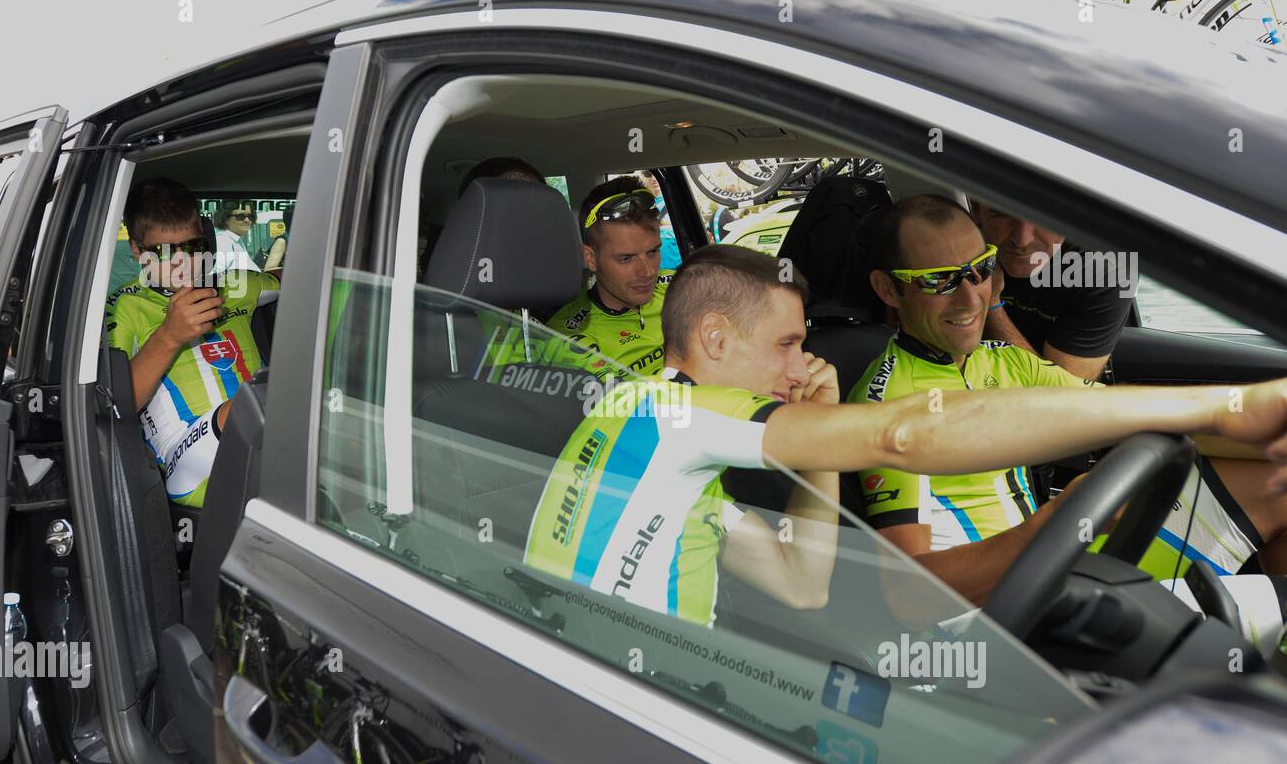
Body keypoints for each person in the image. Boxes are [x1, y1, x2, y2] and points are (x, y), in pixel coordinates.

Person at [524, 243, 1287, 628]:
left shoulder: (656, 434)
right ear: (716, 340)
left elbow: (803, 583)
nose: (802, 364)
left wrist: (818, 437)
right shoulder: (671, 415)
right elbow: (904, 437)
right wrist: (1216, 411)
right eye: (788, 344)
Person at [850, 194, 1287, 604]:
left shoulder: (1004, 364)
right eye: (939, 280)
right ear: (889, 291)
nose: (970, 298)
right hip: (1002, 624)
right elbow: (909, 597)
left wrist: (1264, 429)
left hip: (1056, 570)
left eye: (980, 269)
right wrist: (1052, 523)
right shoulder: (888, 405)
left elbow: (1129, 416)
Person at [106, 179, 279, 507]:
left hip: (263, 429)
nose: (181, 265)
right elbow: (112, 403)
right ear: (136, 251)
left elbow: (311, 277)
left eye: (191, 247)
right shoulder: (125, 305)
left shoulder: (236, 285)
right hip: (186, 455)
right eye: (163, 254)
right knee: (264, 403)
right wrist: (169, 336)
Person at [972, 199, 1133, 381]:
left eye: (1043, 216)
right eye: (1001, 212)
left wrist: (991, 302)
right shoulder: (955, 247)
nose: (1022, 240)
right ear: (976, 211)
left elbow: (1060, 394)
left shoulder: (1104, 269)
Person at [543, 176, 672, 383]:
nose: (647, 272)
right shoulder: (569, 338)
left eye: (652, 252)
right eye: (626, 258)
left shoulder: (682, 288)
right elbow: (629, 410)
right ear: (590, 259)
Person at [212, 199, 261, 273]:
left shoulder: (235, 240)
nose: (247, 220)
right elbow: (216, 275)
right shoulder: (224, 241)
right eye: (240, 216)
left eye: (250, 216)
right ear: (225, 218)